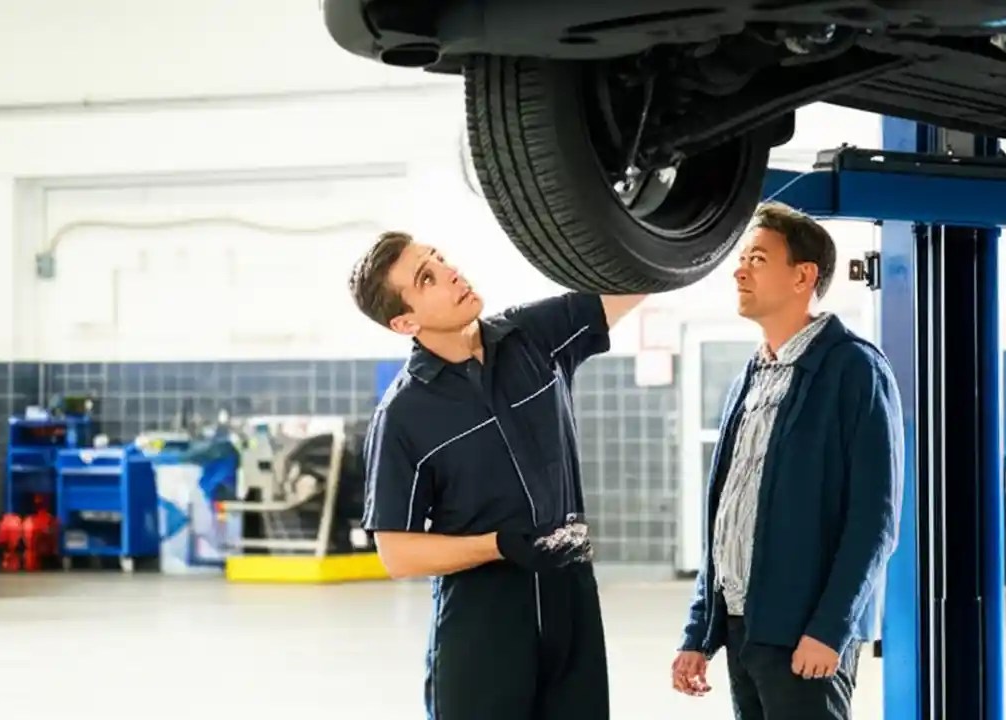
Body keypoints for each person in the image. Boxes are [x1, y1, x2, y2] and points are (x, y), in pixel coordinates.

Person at [348, 230, 646, 720]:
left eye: (439, 258)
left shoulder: (533, 336)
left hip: (570, 600)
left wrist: (673, 223)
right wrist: (497, 545)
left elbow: (638, 281)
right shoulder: (403, 416)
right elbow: (396, 553)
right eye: (427, 278)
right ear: (405, 321)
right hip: (483, 624)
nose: (449, 272)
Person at [671, 202, 904, 720]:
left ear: (803, 276)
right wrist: (699, 632)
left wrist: (830, 628)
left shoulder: (854, 370)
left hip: (806, 636)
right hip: (741, 626)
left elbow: (874, 521)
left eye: (756, 257)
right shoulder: (748, 380)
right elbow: (727, 516)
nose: (738, 269)